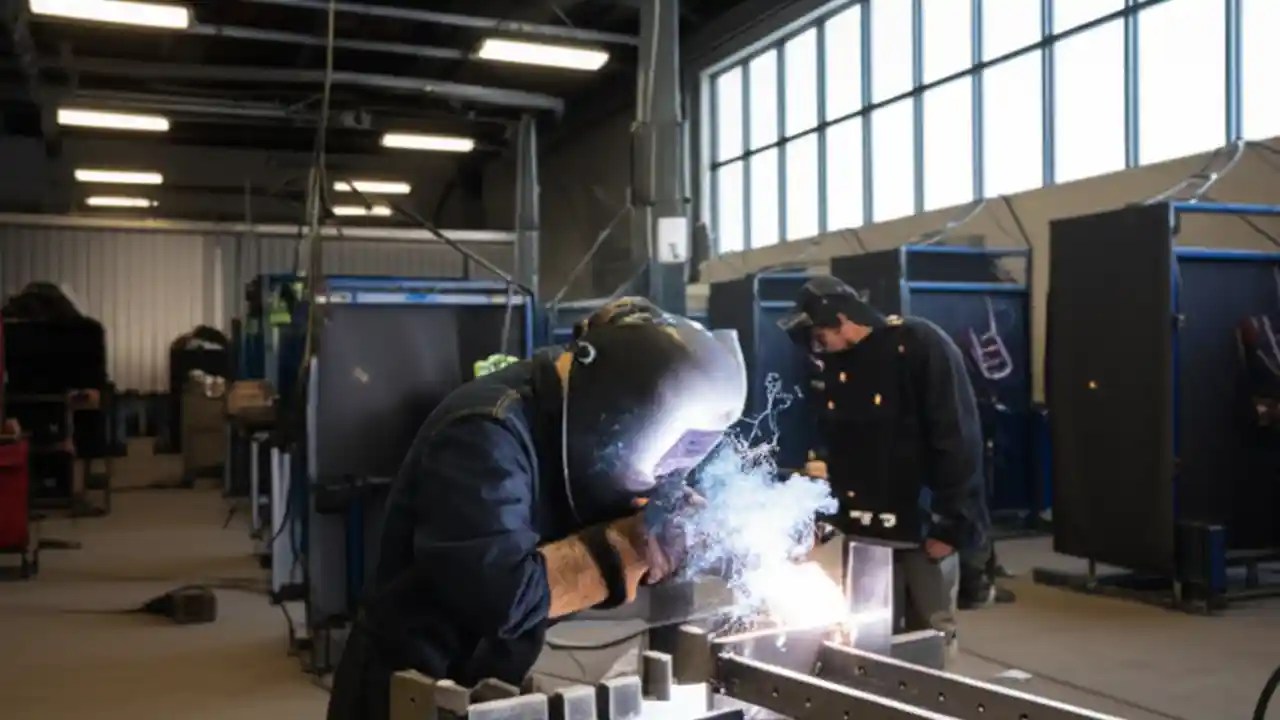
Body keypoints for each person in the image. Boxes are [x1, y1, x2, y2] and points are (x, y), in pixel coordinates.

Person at [327, 297, 747, 720]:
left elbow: (642, 505)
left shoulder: (600, 427)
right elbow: (503, 596)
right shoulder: (484, 433)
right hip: (406, 687)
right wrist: (636, 546)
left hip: (489, 678)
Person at [779, 275, 993, 640]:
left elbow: (958, 440)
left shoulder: (917, 344)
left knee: (927, 637)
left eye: (819, 336)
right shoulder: (835, 369)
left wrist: (952, 524)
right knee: (867, 635)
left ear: (841, 319)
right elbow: (844, 453)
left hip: (921, 533)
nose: (818, 348)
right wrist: (825, 520)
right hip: (865, 534)